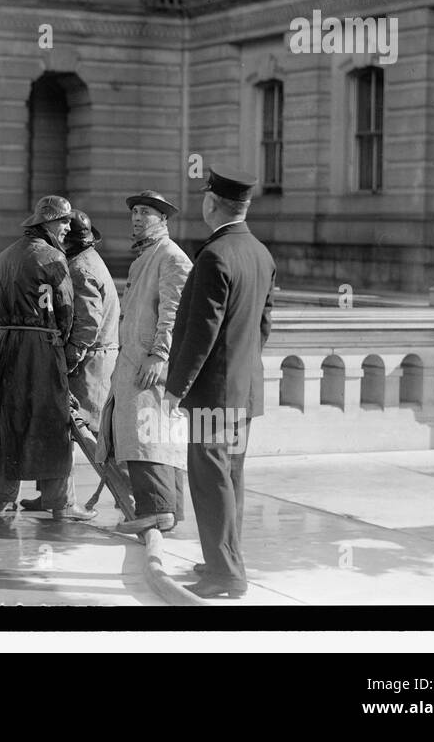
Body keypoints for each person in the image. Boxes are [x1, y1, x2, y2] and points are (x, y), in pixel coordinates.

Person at [165, 167, 276, 598]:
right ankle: (222, 559)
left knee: (211, 481)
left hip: (213, 394)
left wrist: (176, 388)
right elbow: (263, 327)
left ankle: (227, 573)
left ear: (212, 203)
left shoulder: (215, 256)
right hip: (244, 390)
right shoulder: (261, 253)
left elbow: (201, 332)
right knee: (230, 479)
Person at [0, 195, 91, 522]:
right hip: (41, 346)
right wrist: (61, 347)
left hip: (3, 347)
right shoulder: (53, 257)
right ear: (47, 223)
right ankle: (58, 502)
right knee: (51, 422)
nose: (68, 227)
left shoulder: (0, 259)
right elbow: (66, 309)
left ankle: (1, 500)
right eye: (63, 221)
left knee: (3, 423)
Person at [96, 190, 192, 535]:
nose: (137, 218)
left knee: (149, 435)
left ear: (163, 219)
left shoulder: (170, 257)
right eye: (134, 212)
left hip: (150, 364)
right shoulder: (147, 258)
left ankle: (156, 510)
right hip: (136, 360)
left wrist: (159, 355)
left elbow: (174, 312)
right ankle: (164, 509)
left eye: (146, 213)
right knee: (146, 434)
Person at [21, 209, 116, 516]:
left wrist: (69, 360)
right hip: (92, 359)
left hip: (88, 363)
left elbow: (88, 323)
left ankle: (112, 497)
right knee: (63, 430)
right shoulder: (87, 261)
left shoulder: (79, 268)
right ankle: (53, 495)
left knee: (78, 432)